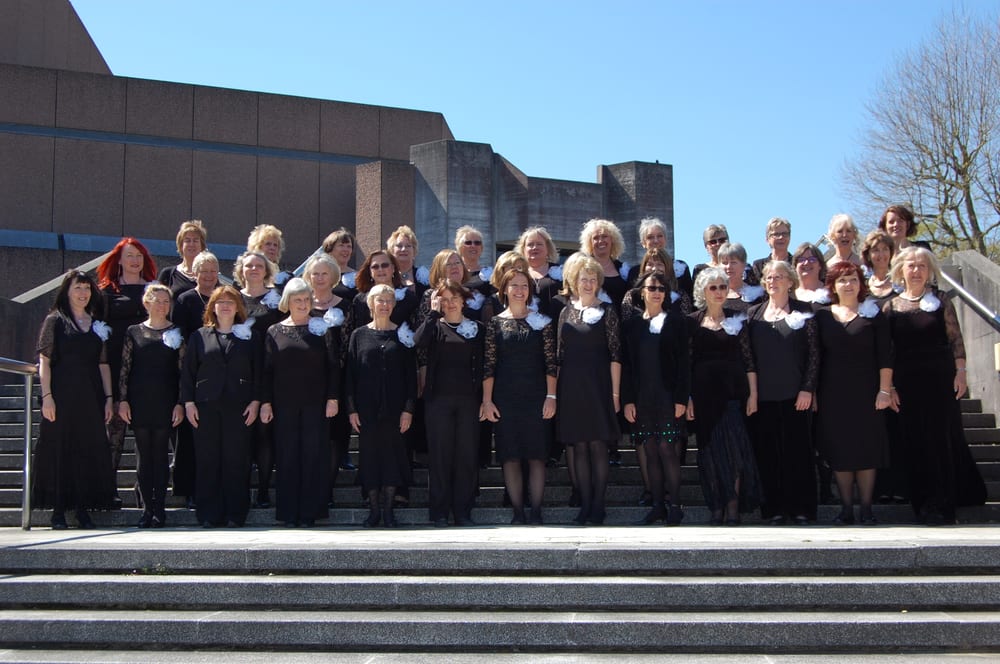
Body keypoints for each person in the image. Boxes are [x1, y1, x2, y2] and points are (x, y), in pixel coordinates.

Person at [883, 247, 986, 524]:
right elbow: (887, 352)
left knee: (941, 441)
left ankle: (944, 502)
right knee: (914, 441)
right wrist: (889, 387)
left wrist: (961, 372)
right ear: (901, 270)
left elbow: (956, 340)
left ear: (929, 271)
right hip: (906, 383)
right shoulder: (890, 307)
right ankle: (923, 502)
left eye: (921, 266)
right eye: (911, 266)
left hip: (940, 380)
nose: (916, 271)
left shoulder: (941, 301)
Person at [32, 270, 116, 529]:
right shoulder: (55, 321)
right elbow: (44, 361)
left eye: (87, 289)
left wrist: (109, 398)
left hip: (90, 397)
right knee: (60, 450)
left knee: (85, 450)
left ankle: (82, 508)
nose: (83, 293)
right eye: (78, 288)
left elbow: (103, 364)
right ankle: (58, 509)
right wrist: (47, 396)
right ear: (67, 291)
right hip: (61, 395)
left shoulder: (95, 323)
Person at [814, 262, 893, 525]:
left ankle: (867, 508)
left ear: (861, 284)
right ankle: (846, 509)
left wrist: (885, 390)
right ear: (833, 286)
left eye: (853, 279)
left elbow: (885, 355)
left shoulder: (873, 314)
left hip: (867, 392)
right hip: (833, 394)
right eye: (842, 280)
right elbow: (816, 357)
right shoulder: (822, 316)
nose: (848, 285)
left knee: (866, 450)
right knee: (840, 452)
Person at [259, 278, 340, 528]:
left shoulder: (321, 329)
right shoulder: (274, 331)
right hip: (284, 404)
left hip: (316, 403)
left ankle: (310, 512)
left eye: (306, 299)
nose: (303, 304)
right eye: (297, 300)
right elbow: (266, 371)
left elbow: (334, 367)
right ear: (288, 302)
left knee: (313, 456)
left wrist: (332, 398)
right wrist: (266, 403)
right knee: (287, 457)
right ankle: (289, 513)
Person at [181, 285, 261, 528]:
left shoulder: (250, 336)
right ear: (212, 307)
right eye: (220, 302)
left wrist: (256, 401)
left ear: (238, 307)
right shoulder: (199, 336)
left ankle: (235, 513)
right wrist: (188, 403)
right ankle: (209, 513)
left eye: (231, 302)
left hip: (239, 405)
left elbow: (259, 371)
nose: (225, 306)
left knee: (236, 460)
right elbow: (188, 372)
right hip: (205, 405)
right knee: (208, 460)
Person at [482, 269, 558, 525]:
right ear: (504, 289)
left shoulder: (542, 322)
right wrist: (487, 400)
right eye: (513, 285)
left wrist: (551, 396)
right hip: (505, 398)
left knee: (536, 456)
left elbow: (551, 363)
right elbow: (489, 365)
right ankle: (518, 512)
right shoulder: (494, 323)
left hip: (536, 396)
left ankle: (536, 512)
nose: (519, 290)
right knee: (510, 456)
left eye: (524, 285)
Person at [687, 267, 761, 525]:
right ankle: (716, 505)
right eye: (713, 287)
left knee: (734, 452)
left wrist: (753, 395)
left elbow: (749, 359)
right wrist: (688, 398)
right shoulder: (692, 321)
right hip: (704, 398)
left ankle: (732, 507)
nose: (719, 292)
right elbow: (688, 363)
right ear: (703, 292)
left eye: (722, 286)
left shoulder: (738, 317)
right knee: (710, 454)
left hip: (733, 396)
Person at [747, 261, 819, 525]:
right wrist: (752, 394)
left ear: (790, 281)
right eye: (768, 277)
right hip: (764, 397)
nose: (772, 281)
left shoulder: (805, 310)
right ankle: (774, 508)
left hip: (795, 396)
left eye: (778, 277)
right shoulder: (754, 314)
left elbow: (813, 354)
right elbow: (749, 359)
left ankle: (801, 508)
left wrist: (807, 388)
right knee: (768, 455)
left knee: (798, 454)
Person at [556, 254, 622, 526]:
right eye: (584, 279)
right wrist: (555, 394)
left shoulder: (607, 312)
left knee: (597, 446)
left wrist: (615, 394)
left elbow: (616, 355)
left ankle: (598, 505)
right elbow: (559, 355)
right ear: (574, 281)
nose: (588, 283)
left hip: (599, 387)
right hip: (571, 387)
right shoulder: (564, 312)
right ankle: (584, 504)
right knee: (579, 447)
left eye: (593, 279)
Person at [414, 279, 485, 527]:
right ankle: (439, 512)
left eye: (454, 298)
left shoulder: (476, 328)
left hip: (468, 401)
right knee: (440, 457)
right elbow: (418, 342)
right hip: (438, 402)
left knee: (466, 456)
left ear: (463, 300)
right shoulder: (434, 327)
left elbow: (486, 365)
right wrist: (433, 313)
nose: (450, 303)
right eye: (444, 299)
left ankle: (463, 511)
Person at [346, 284, 418, 528]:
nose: (384, 305)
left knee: (391, 459)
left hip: (395, 410)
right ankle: (373, 510)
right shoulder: (358, 335)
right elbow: (350, 374)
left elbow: (411, 377)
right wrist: (351, 408)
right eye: (380, 300)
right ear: (371, 304)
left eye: (389, 300)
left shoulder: (403, 334)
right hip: (366, 410)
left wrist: (408, 409)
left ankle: (388, 511)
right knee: (370, 459)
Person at [622, 270, 689, 525]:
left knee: (667, 449)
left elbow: (684, 363)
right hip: (642, 397)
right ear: (642, 292)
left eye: (662, 288)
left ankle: (675, 505)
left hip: (668, 396)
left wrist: (682, 398)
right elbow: (626, 364)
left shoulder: (676, 321)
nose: (657, 292)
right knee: (649, 450)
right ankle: (658, 504)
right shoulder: (632, 324)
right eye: (652, 288)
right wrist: (628, 399)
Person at [118, 283, 185, 528]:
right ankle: (146, 508)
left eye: (166, 301)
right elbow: (125, 368)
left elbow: (182, 372)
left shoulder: (177, 331)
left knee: (161, 455)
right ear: (146, 303)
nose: (162, 305)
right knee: (144, 456)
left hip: (166, 400)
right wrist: (123, 400)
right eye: (157, 301)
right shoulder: (133, 331)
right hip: (139, 399)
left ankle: (160, 507)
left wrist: (180, 403)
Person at [98, 237, 157, 496]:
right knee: (114, 433)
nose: (135, 260)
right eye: (130, 255)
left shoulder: (154, 290)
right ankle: (105, 488)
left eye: (139, 256)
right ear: (119, 260)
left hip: (145, 369)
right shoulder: (107, 291)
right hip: (113, 365)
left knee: (145, 435)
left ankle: (143, 491)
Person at [302, 253, 351, 504]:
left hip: (338, 380)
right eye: (315, 273)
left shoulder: (346, 304)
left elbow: (349, 344)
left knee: (335, 437)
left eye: (324, 273)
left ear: (333, 276)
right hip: (307, 383)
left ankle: (328, 488)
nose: (319, 278)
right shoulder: (301, 304)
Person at [235, 250, 282, 508]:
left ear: (266, 271)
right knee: (241, 436)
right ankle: (240, 489)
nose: (253, 269)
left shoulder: (274, 301)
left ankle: (264, 490)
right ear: (241, 270)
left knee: (265, 435)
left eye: (258, 266)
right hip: (238, 372)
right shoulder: (232, 298)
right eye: (248, 265)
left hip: (267, 370)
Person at [626, 217, 694, 297]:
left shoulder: (680, 268)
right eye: (650, 237)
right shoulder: (634, 272)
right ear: (643, 243)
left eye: (659, 236)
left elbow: (690, 298)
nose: (656, 241)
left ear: (665, 239)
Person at [579, 218, 630, 309]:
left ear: (612, 240)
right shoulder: (583, 267)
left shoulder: (622, 268)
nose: (600, 241)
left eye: (604, 236)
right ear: (589, 243)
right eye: (595, 238)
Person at [172, 251, 221, 341]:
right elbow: (179, 331)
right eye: (204, 271)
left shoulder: (225, 298)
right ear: (194, 273)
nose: (209, 275)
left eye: (213, 271)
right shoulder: (185, 300)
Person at [516, 226, 564, 317]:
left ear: (548, 249)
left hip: (556, 325)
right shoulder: (517, 274)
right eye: (530, 244)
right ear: (523, 249)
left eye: (539, 244)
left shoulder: (562, 272)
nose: (535, 247)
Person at [692, 224, 757, 286]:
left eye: (722, 240)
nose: (718, 244)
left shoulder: (745, 268)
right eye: (713, 242)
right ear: (706, 246)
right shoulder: (700, 270)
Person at [158, 219, 207, 298]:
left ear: (202, 245)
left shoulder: (210, 275)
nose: (191, 244)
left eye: (195, 240)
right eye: (187, 240)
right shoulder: (168, 274)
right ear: (181, 245)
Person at [718, 242, 764, 313]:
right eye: (725, 263)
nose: (729, 267)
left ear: (743, 265)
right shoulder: (713, 295)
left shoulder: (758, 296)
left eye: (733, 262)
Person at [322, 227, 359, 304]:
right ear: (330, 249)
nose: (345, 249)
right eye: (341, 245)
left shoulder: (358, 277)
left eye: (349, 246)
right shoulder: (319, 274)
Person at [862, 230, 898, 307]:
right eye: (876, 250)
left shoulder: (900, 282)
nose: (881, 254)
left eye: (885, 249)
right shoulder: (861, 286)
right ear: (868, 255)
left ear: (890, 253)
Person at [751, 218, 792, 282]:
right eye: (776, 234)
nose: (781, 237)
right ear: (767, 239)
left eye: (784, 234)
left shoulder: (797, 263)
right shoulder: (759, 266)